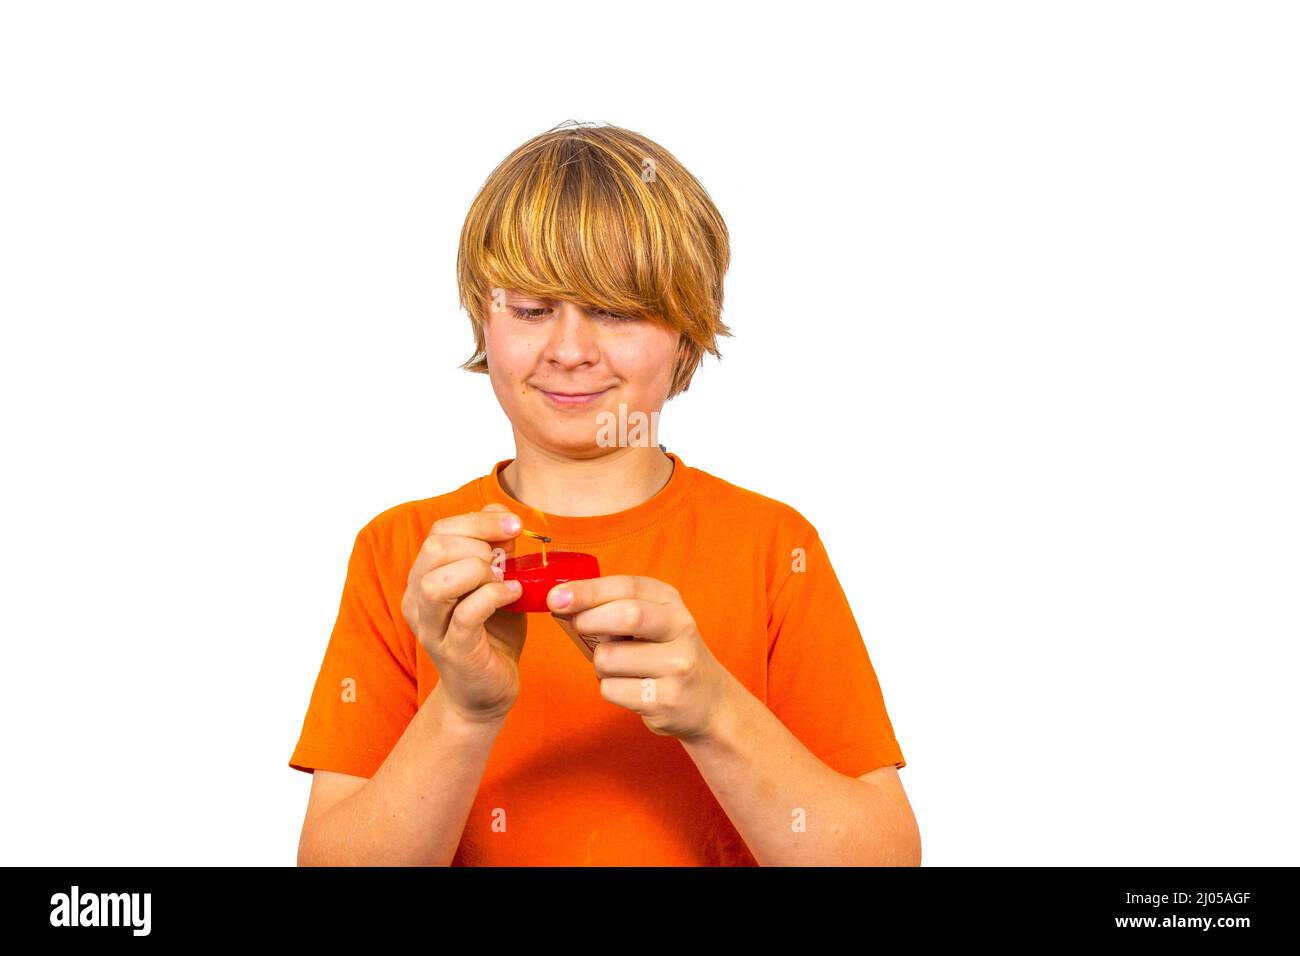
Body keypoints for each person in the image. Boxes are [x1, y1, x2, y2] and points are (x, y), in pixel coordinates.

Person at [288, 120, 920, 866]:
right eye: (529, 309)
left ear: (687, 334)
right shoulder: (404, 555)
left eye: (616, 311)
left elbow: (880, 860)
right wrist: (463, 710)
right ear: (482, 322)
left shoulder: (775, 549)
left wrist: (714, 710)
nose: (569, 350)